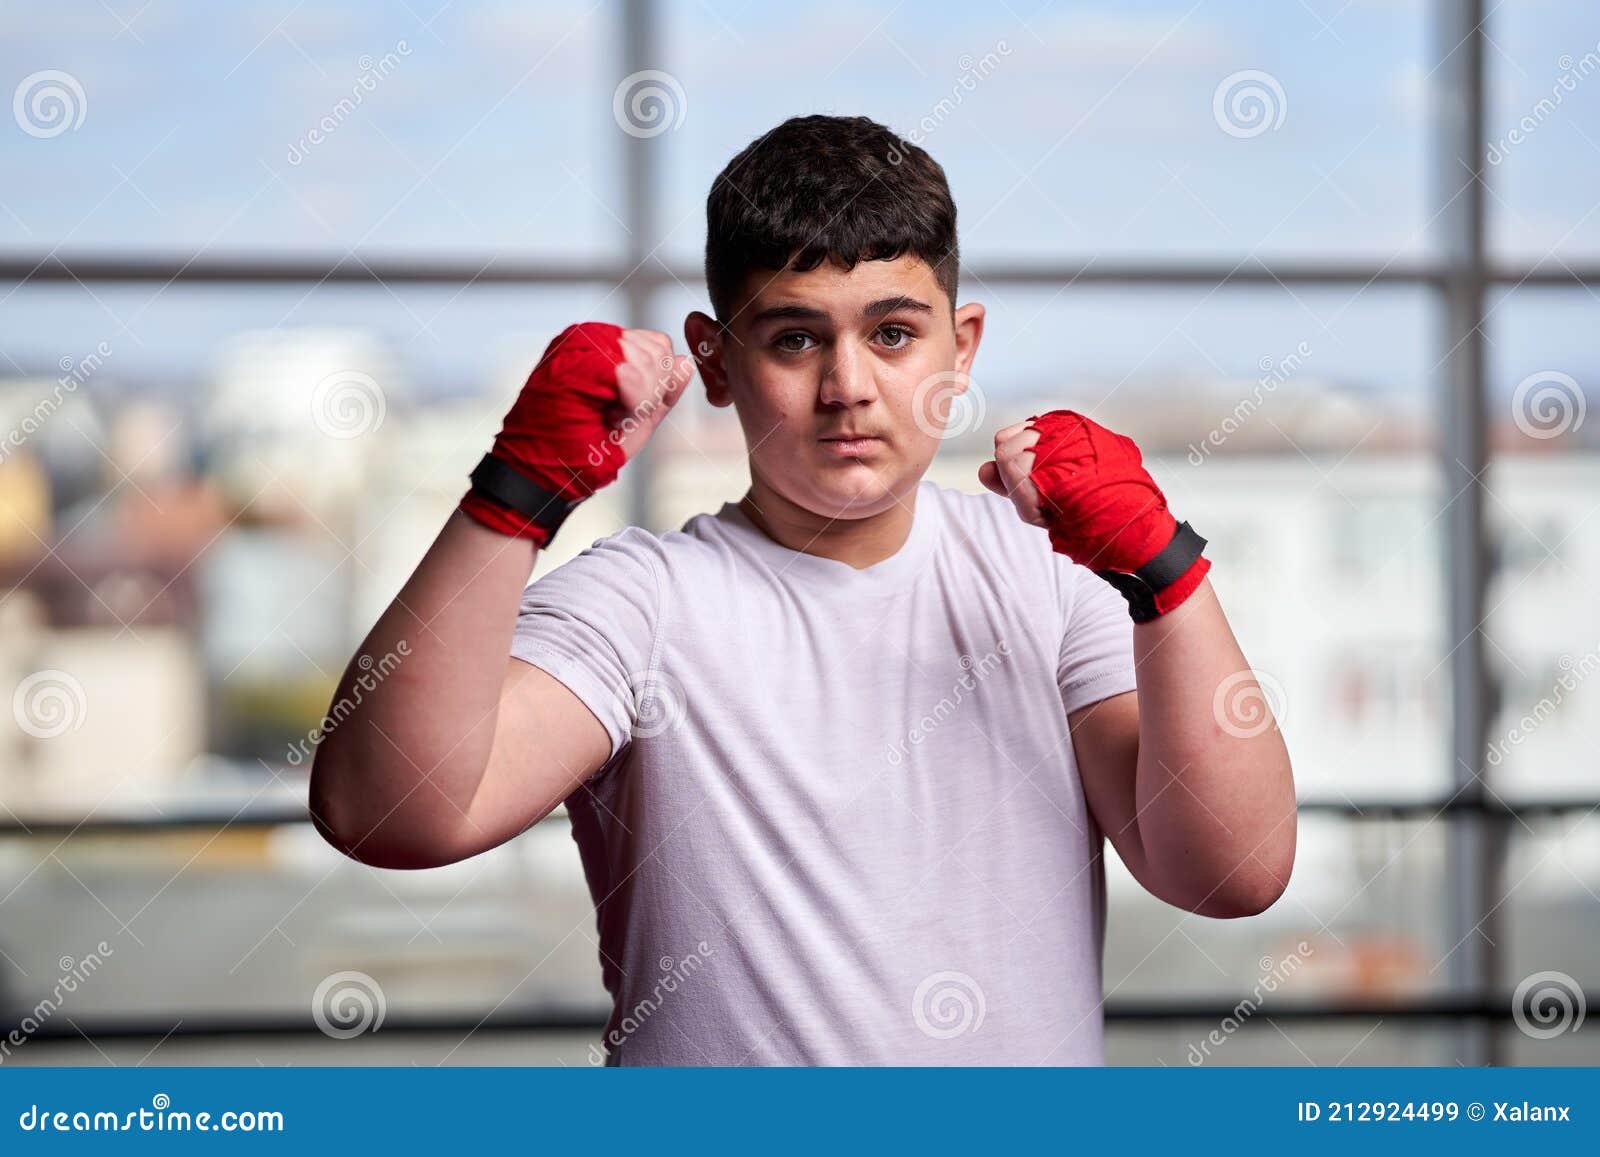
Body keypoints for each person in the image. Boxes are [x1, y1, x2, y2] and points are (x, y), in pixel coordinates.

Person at [308, 113, 1296, 1066]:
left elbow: (1232, 873)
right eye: (793, 339)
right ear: (715, 359)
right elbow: (385, 814)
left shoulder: (1050, 574)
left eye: (894, 334)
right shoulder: (642, 600)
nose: (847, 384)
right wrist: (512, 498)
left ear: (964, 346)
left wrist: (1164, 568)